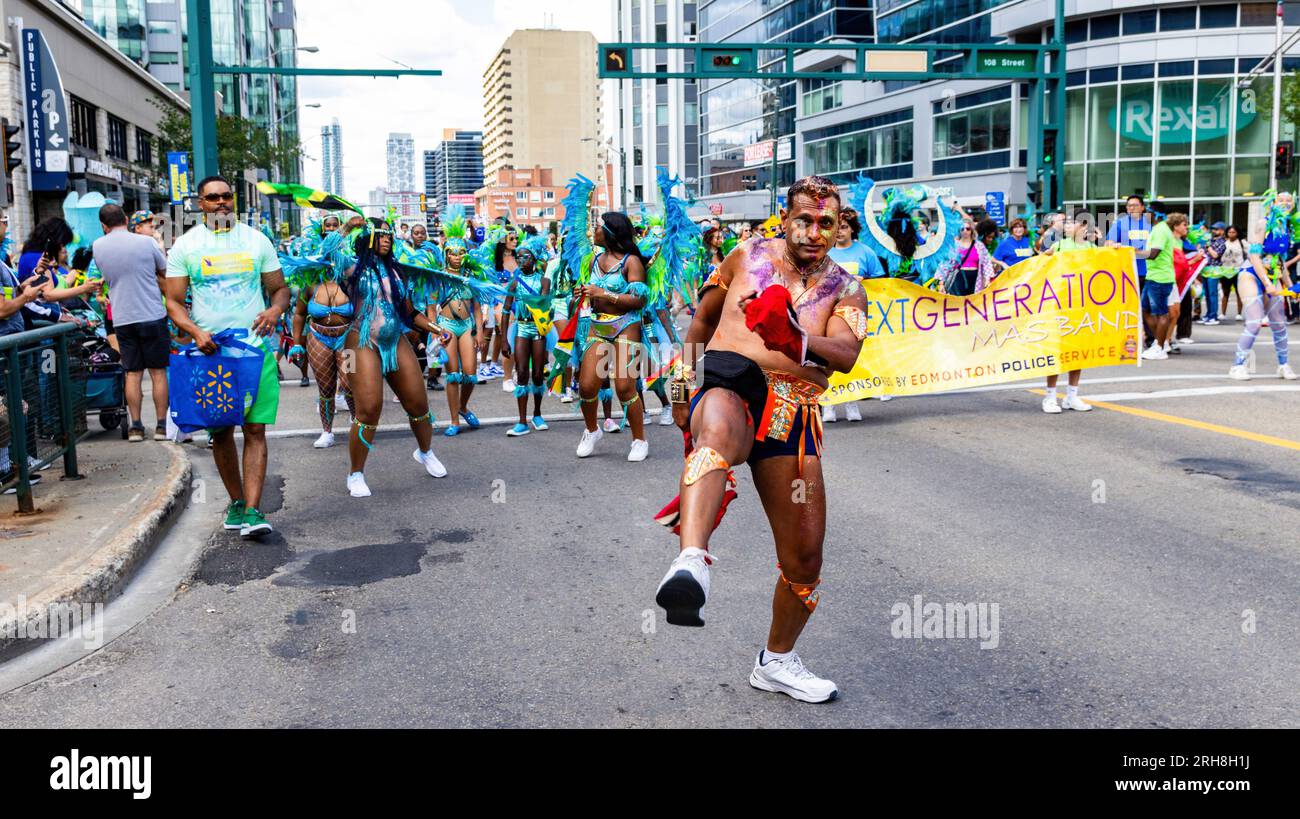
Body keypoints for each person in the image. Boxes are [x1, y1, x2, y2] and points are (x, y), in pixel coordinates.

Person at [656, 176, 867, 703]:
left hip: (794, 415)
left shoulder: (847, 287)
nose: (815, 231)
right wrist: (682, 385)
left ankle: (776, 661)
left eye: (827, 222)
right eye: (805, 220)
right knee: (718, 431)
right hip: (733, 383)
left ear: (840, 225)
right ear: (785, 216)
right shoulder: (744, 255)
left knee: (804, 561)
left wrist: (795, 335)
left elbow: (844, 355)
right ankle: (692, 562)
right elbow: (701, 323)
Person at [164, 175, 289, 539]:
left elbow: (279, 289)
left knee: (255, 428)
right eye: (212, 197)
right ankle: (236, 503)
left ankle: (252, 509)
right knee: (221, 432)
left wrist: (274, 312)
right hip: (211, 353)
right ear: (200, 203)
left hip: (254, 350)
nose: (221, 202)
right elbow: (173, 300)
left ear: (233, 200)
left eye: (226, 196)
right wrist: (195, 331)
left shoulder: (255, 240)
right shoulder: (186, 246)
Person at [340, 218, 449, 497]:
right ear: (367, 238)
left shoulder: (398, 273)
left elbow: (410, 314)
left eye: (390, 235)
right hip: (360, 340)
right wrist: (346, 229)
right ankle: (356, 473)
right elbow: (330, 254)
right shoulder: (351, 267)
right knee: (369, 409)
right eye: (381, 235)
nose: (387, 239)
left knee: (418, 402)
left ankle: (425, 451)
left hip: (394, 338)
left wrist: (437, 329)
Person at [573, 212, 652, 462]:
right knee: (586, 386)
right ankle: (592, 431)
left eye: (597, 227)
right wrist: (583, 293)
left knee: (625, 386)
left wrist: (604, 293)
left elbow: (639, 300)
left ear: (609, 233)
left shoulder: (631, 262)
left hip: (626, 326)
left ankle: (639, 440)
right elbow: (591, 291)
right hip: (597, 326)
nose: (593, 232)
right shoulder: (594, 260)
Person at [92, 204, 170, 441]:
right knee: (158, 373)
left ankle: (135, 427)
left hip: (122, 318)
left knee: (132, 373)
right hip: (152, 313)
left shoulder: (98, 246)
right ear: (126, 219)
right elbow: (164, 269)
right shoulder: (146, 242)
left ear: (103, 225)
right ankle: (161, 427)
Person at [285, 219, 355, 449]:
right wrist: (297, 344)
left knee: (349, 382)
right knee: (325, 387)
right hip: (318, 338)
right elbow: (298, 315)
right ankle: (327, 431)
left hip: (346, 338)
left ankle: (357, 423)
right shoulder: (311, 285)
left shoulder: (349, 282)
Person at [824, 206, 884, 424]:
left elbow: (880, 281)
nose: (839, 231)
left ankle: (851, 401)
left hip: (857, 313)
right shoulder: (825, 252)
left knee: (853, 357)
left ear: (852, 229)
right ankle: (828, 403)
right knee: (830, 356)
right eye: (836, 228)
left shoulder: (865, 252)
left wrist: (862, 282)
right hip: (829, 313)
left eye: (844, 227)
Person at [1228, 191, 1295, 380]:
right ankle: (1237, 366)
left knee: (1279, 324)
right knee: (1255, 322)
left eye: (1288, 200)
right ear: (1273, 203)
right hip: (1251, 275)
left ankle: (1283, 365)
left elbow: (1279, 260)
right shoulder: (1263, 223)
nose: (1284, 203)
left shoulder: (1285, 227)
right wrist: (1266, 283)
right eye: (1280, 200)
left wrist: (1291, 287)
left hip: (1272, 276)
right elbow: (1254, 256)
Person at [1040, 217, 1097, 413]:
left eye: (1071, 224)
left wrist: (1114, 248)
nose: (1066, 227)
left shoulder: (1091, 247)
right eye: (1066, 224)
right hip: (1060, 304)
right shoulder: (1059, 246)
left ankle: (1072, 396)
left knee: (1077, 351)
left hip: (1082, 306)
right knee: (1056, 350)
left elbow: (1106, 265)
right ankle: (1050, 397)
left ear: (1082, 227)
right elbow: (1040, 264)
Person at [500, 235, 552, 436]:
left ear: (535, 259)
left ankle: (537, 414)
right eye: (519, 257)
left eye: (526, 257)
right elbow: (505, 311)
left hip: (538, 329)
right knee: (522, 372)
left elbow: (544, 302)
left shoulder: (544, 280)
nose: (521, 261)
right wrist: (504, 339)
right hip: (521, 328)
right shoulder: (514, 283)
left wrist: (529, 298)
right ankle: (522, 421)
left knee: (538, 373)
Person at [1138, 213, 1187, 361]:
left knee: (1162, 314)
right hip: (1153, 276)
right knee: (1145, 310)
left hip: (1160, 278)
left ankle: (1159, 347)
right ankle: (1160, 343)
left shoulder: (1160, 230)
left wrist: (1130, 252)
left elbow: (1153, 254)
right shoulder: (1159, 229)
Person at [937, 218, 996, 296]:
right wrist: (941, 283)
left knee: (973, 303)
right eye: (962, 229)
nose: (965, 231)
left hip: (975, 278)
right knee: (958, 303)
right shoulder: (954, 246)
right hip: (959, 277)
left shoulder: (979, 246)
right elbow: (945, 264)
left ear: (971, 230)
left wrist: (988, 279)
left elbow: (986, 263)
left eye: (967, 229)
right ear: (959, 231)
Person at [1199, 222, 1227, 326]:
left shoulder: (1222, 242)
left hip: (1214, 270)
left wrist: (1209, 247)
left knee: (1212, 294)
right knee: (1206, 294)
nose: (1213, 231)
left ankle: (1213, 316)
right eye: (1213, 229)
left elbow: (1215, 255)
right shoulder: (1209, 240)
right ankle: (1208, 314)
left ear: (1222, 231)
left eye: (1216, 229)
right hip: (1205, 269)